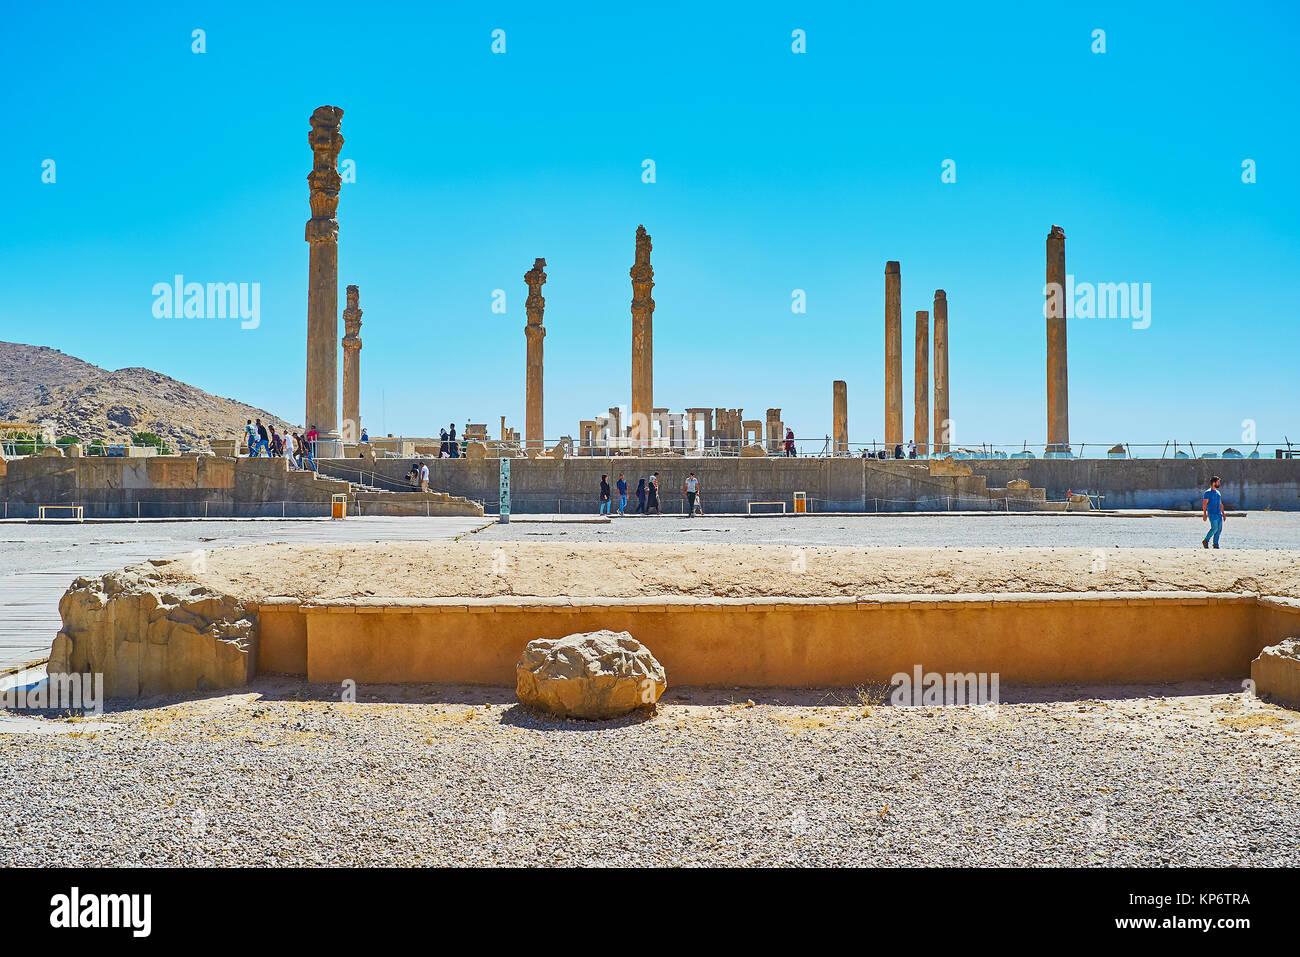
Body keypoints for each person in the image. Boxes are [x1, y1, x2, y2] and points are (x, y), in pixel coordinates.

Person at [1202, 474, 1225, 549]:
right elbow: (1205, 504)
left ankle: (1215, 545)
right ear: (1214, 483)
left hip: (1219, 514)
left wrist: (1223, 514)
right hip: (1212, 514)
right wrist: (1204, 514)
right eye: (1218, 482)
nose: (1219, 484)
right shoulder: (1207, 493)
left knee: (1219, 530)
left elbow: (1220, 504)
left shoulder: (1218, 493)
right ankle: (1206, 540)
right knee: (1214, 528)